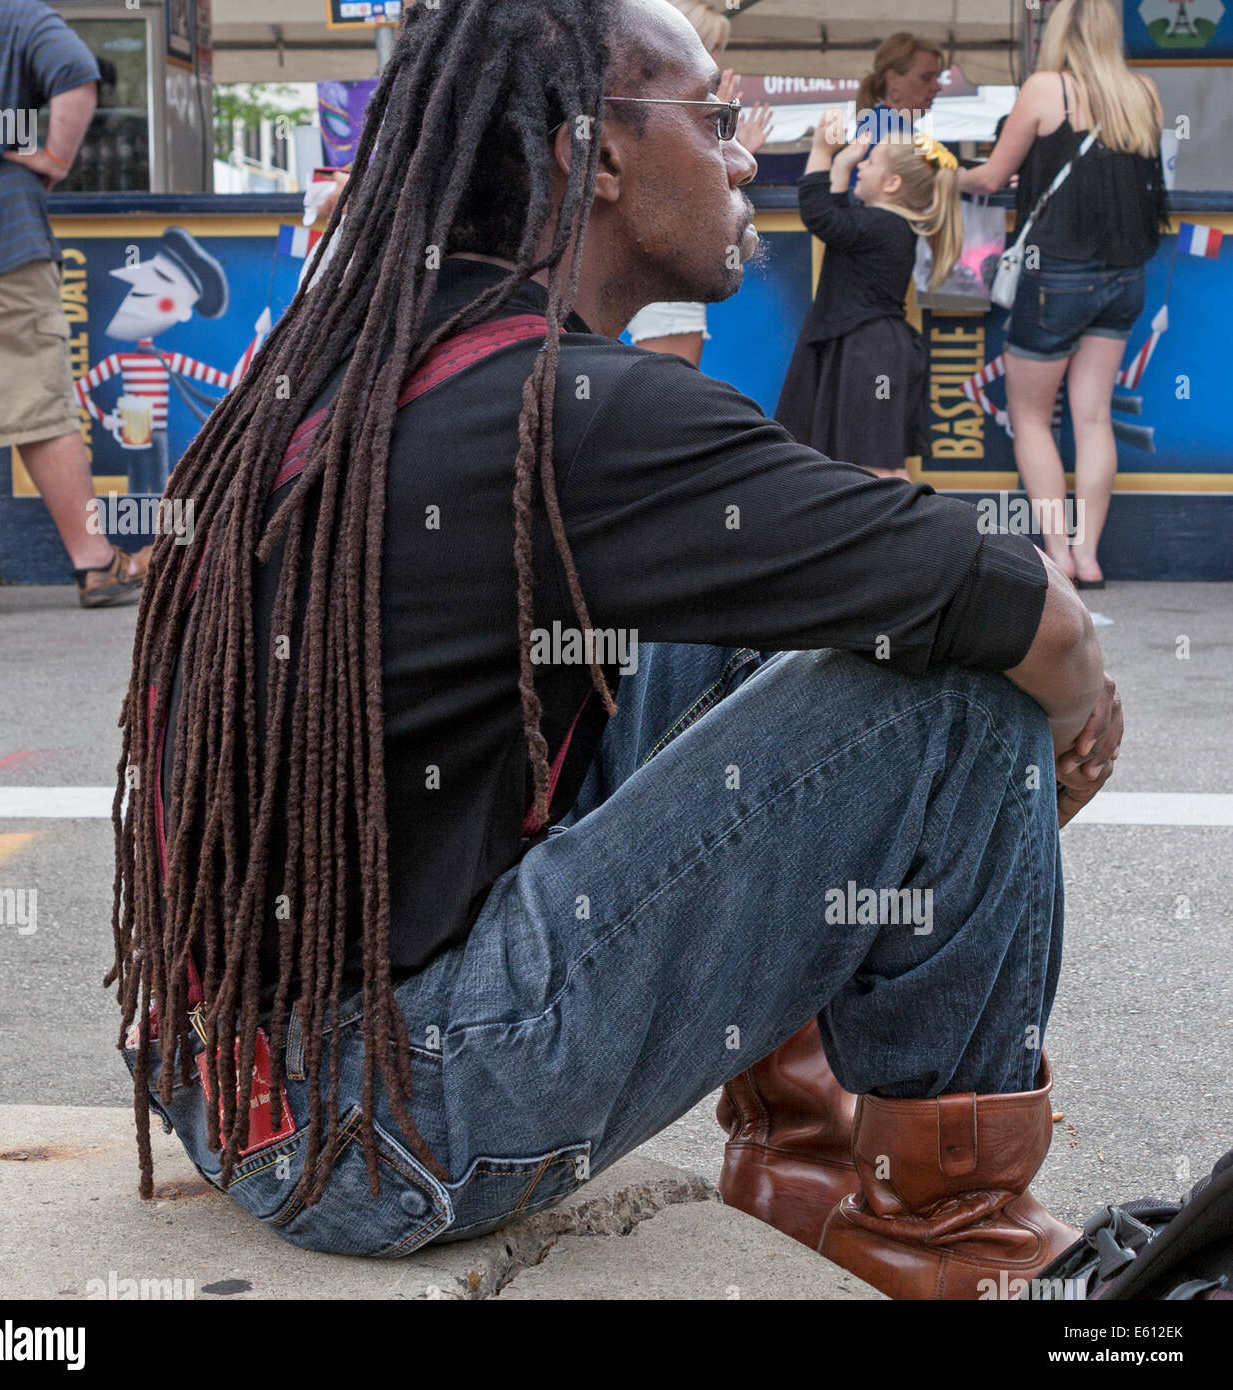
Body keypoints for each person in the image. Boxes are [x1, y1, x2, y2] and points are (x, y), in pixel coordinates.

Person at [110, 0, 1122, 1301]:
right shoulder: (570, 411)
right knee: (955, 714)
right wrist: (1057, 726)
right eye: (709, 119)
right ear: (593, 156)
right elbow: (1033, 616)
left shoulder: (364, 359)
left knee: (792, 611)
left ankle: (800, 1169)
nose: (744, 154)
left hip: (233, 1077)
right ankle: (932, 1231)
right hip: (380, 1129)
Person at [0, 0, 150, 615]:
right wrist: (54, 158)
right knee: (40, 406)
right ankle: (95, 563)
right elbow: (78, 72)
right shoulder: (14, 14)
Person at [958, 0, 1167, 590]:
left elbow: (992, 177)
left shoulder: (1046, 88)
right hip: (1125, 278)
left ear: (1060, 32)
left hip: (1055, 277)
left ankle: (1058, 555)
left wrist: (946, 174)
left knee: (1030, 416)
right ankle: (1090, 553)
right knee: (1094, 415)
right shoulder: (1143, 93)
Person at [774, 109, 962, 479]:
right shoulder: (886, 224)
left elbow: (821, 216)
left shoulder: (882, 225)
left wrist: (822, 153)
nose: (863, 163)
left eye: (870, 160)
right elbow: (838, 219)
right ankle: (904, 533)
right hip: (873, 349)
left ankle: (909, 535)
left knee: (877, 468)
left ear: (891, 184)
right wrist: (841, 167)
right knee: (879, 464)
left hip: (870, 352)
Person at [624, 0, 773, 365]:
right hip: (666, 250)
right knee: (667, 379)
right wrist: (725, 138)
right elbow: (680, 176)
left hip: (672, 256)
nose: (717, 59)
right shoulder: (668, 105)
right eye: (714, 47)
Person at [854, 32, 945, 150]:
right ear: (893, 79)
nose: (937, 87)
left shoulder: (889, 126)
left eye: (937, 78)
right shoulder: (881, 129)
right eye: (926, 78)